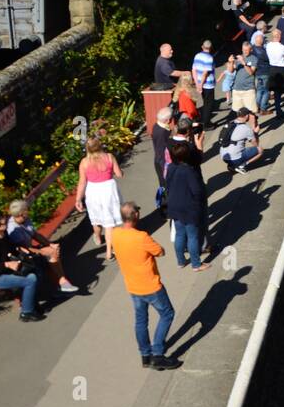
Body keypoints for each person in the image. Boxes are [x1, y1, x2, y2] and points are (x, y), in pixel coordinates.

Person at [109, 202, 181, 370]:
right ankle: (158, 354)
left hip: (133, 287)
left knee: (141, 321)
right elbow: (160, 252)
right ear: (136, 216)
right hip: (151, 286)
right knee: (167, 314)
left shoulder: (115, 234)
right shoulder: (141, 237)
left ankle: (145, 355)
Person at [6, 199, 79, 293]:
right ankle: (62, 282)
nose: (28, 210)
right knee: (51, 254)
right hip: (23, 255)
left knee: (52, 252)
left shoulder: (25, 219)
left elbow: (35, 235)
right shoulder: (13, 229)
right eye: (26, 210)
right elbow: (23, 248)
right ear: (21, 213)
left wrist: (50, 244)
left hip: (30, 249)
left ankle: (61, 284)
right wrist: (43, 251)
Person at [0, 213, 44, 321]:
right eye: (3, 224)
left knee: (35, 273)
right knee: (30, 281)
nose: (7, 225)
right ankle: (26, 312)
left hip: (11, 270)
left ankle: (31, 304)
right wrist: (7, 264)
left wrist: (21, 250)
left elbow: (12, 249)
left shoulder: (4, 235)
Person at [75, 137, 123, 259]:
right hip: (108, 190)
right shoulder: (109, 157)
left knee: (96, 217)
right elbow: (119, 174)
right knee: (109, 223)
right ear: (100, 145)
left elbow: (82, 182)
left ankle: (97, 236)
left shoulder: (84, 162)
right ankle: (109, 251)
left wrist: (78, 199)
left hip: (93, 191)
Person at [165, 142, 210, 271]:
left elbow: (167, 185)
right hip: (189, 208)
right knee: (192, 236)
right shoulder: (189, 171)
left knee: (180, 234)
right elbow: (197, 191)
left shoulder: (171, 168)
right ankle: (196, 264)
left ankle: (181, 261)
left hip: (174, 205)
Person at [221, 109, 263, 173]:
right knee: (260, 150)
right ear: (246, 116)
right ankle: (241, 165)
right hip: (235, 158)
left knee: (238, 147)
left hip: (224, 156)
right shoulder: (246, 128)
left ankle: (232, 165)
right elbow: (256, 145)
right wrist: (255, 133)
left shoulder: (230, 123)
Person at [191, 40, 217, 126]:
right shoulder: (209, 58)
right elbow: (205, 73)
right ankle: (206, 123)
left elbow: (194, 70)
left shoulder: (197, 55)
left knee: (205, 102)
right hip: (207, 84)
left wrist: (197, 83)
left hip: (199, 82)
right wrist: (200, 86)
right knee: (208, 104)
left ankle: (204, 120)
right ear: (210, 48)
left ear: (202, 47)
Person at [231, 43, 259, 114]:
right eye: (243, 50)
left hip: (248, 90)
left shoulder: (254, 59)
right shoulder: (239, 58)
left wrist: (244, 63)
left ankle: (254, 125)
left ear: (251, 50)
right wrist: (231, 62)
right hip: (237, 89)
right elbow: (231, 70)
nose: (245, 52)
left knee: (251, 113)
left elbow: (251, 72)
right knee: (239, 113)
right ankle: (241, 125)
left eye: (247, 50)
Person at [151, 105, 173, 194]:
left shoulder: (157, 125)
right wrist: (165, 167)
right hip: (162, 163)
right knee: (166, 186)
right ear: (168, 120)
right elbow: (161, 151)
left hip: (160, 160)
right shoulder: (161, 132)